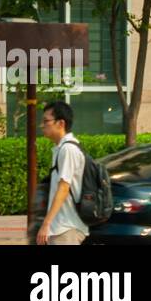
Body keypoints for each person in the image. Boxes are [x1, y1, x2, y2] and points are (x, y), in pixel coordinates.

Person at [38, 100, 89, 245]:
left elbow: (64, 188)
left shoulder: (68, 149)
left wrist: (46, 224)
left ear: (61, 123)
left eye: (46, 121)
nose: (42, 125)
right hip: (61, 227)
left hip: (67, 228)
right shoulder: (61, 148)